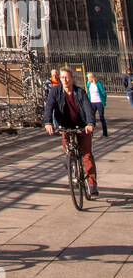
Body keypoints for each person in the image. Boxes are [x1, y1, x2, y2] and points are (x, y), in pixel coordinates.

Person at [43, 66, 99, 196]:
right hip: (66, 126)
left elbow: (87, 108)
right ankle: (71, 166)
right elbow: (49, 107)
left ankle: (92, 184)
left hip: (82, 125)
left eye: (67, 77)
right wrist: (48, 123)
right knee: (68, 152)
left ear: (72, 78)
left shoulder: (80, 92)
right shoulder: (55, 92)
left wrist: (90, 123)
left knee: (87, 155)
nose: (64, 80)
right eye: (62, 77)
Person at [86, 72, 108, 137]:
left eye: (89, 77)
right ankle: (91, 133)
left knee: (101, 117)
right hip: (92, 103)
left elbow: (104, 93)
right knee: (91, 118)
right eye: (87, 77)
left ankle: (105, 133)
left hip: (99, 102)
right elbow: (88, 92)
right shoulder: (88, 83)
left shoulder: (98, 84)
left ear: (92, 77)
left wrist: (103, 101)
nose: (88, 79)